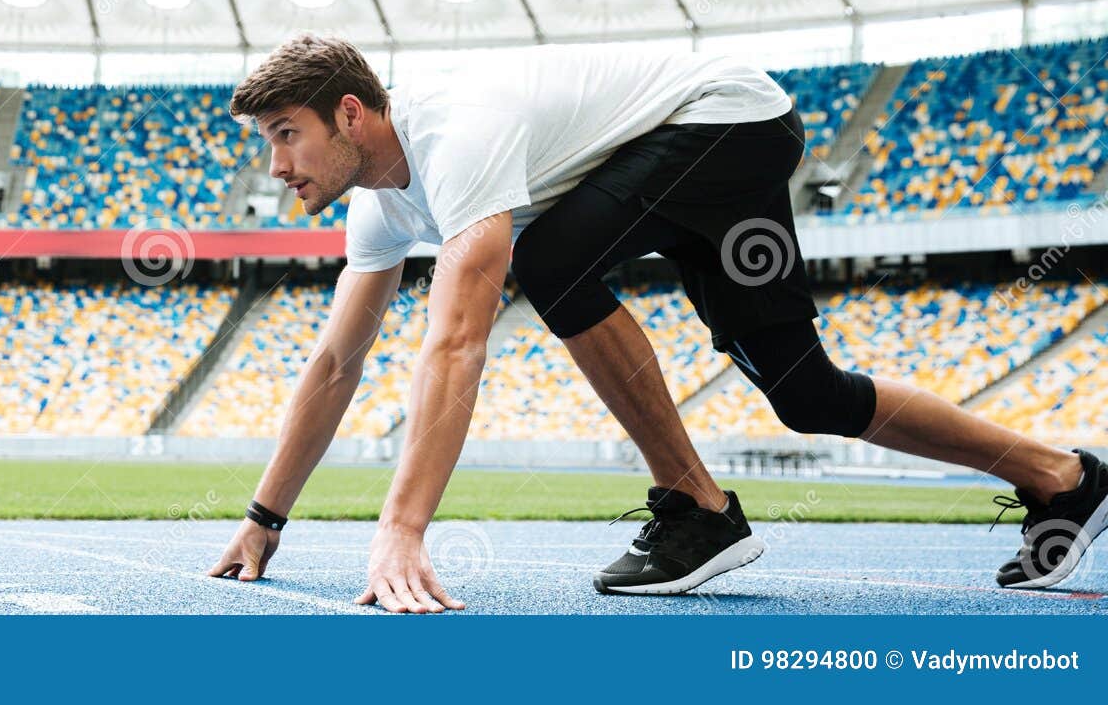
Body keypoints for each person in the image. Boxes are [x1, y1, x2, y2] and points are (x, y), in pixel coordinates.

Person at [205, 33, 1108, 610]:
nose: (277, 162)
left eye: (286, 132)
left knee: (553, 261)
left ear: (350, 113)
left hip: (729, 118)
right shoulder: (380, 212)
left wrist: (401, 527)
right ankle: (1064, 478)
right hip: (696, 150)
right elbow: (333, 365)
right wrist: (263, 517)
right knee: (808, 394)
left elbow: (456, 338)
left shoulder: (455, 139)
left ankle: (697, 507)